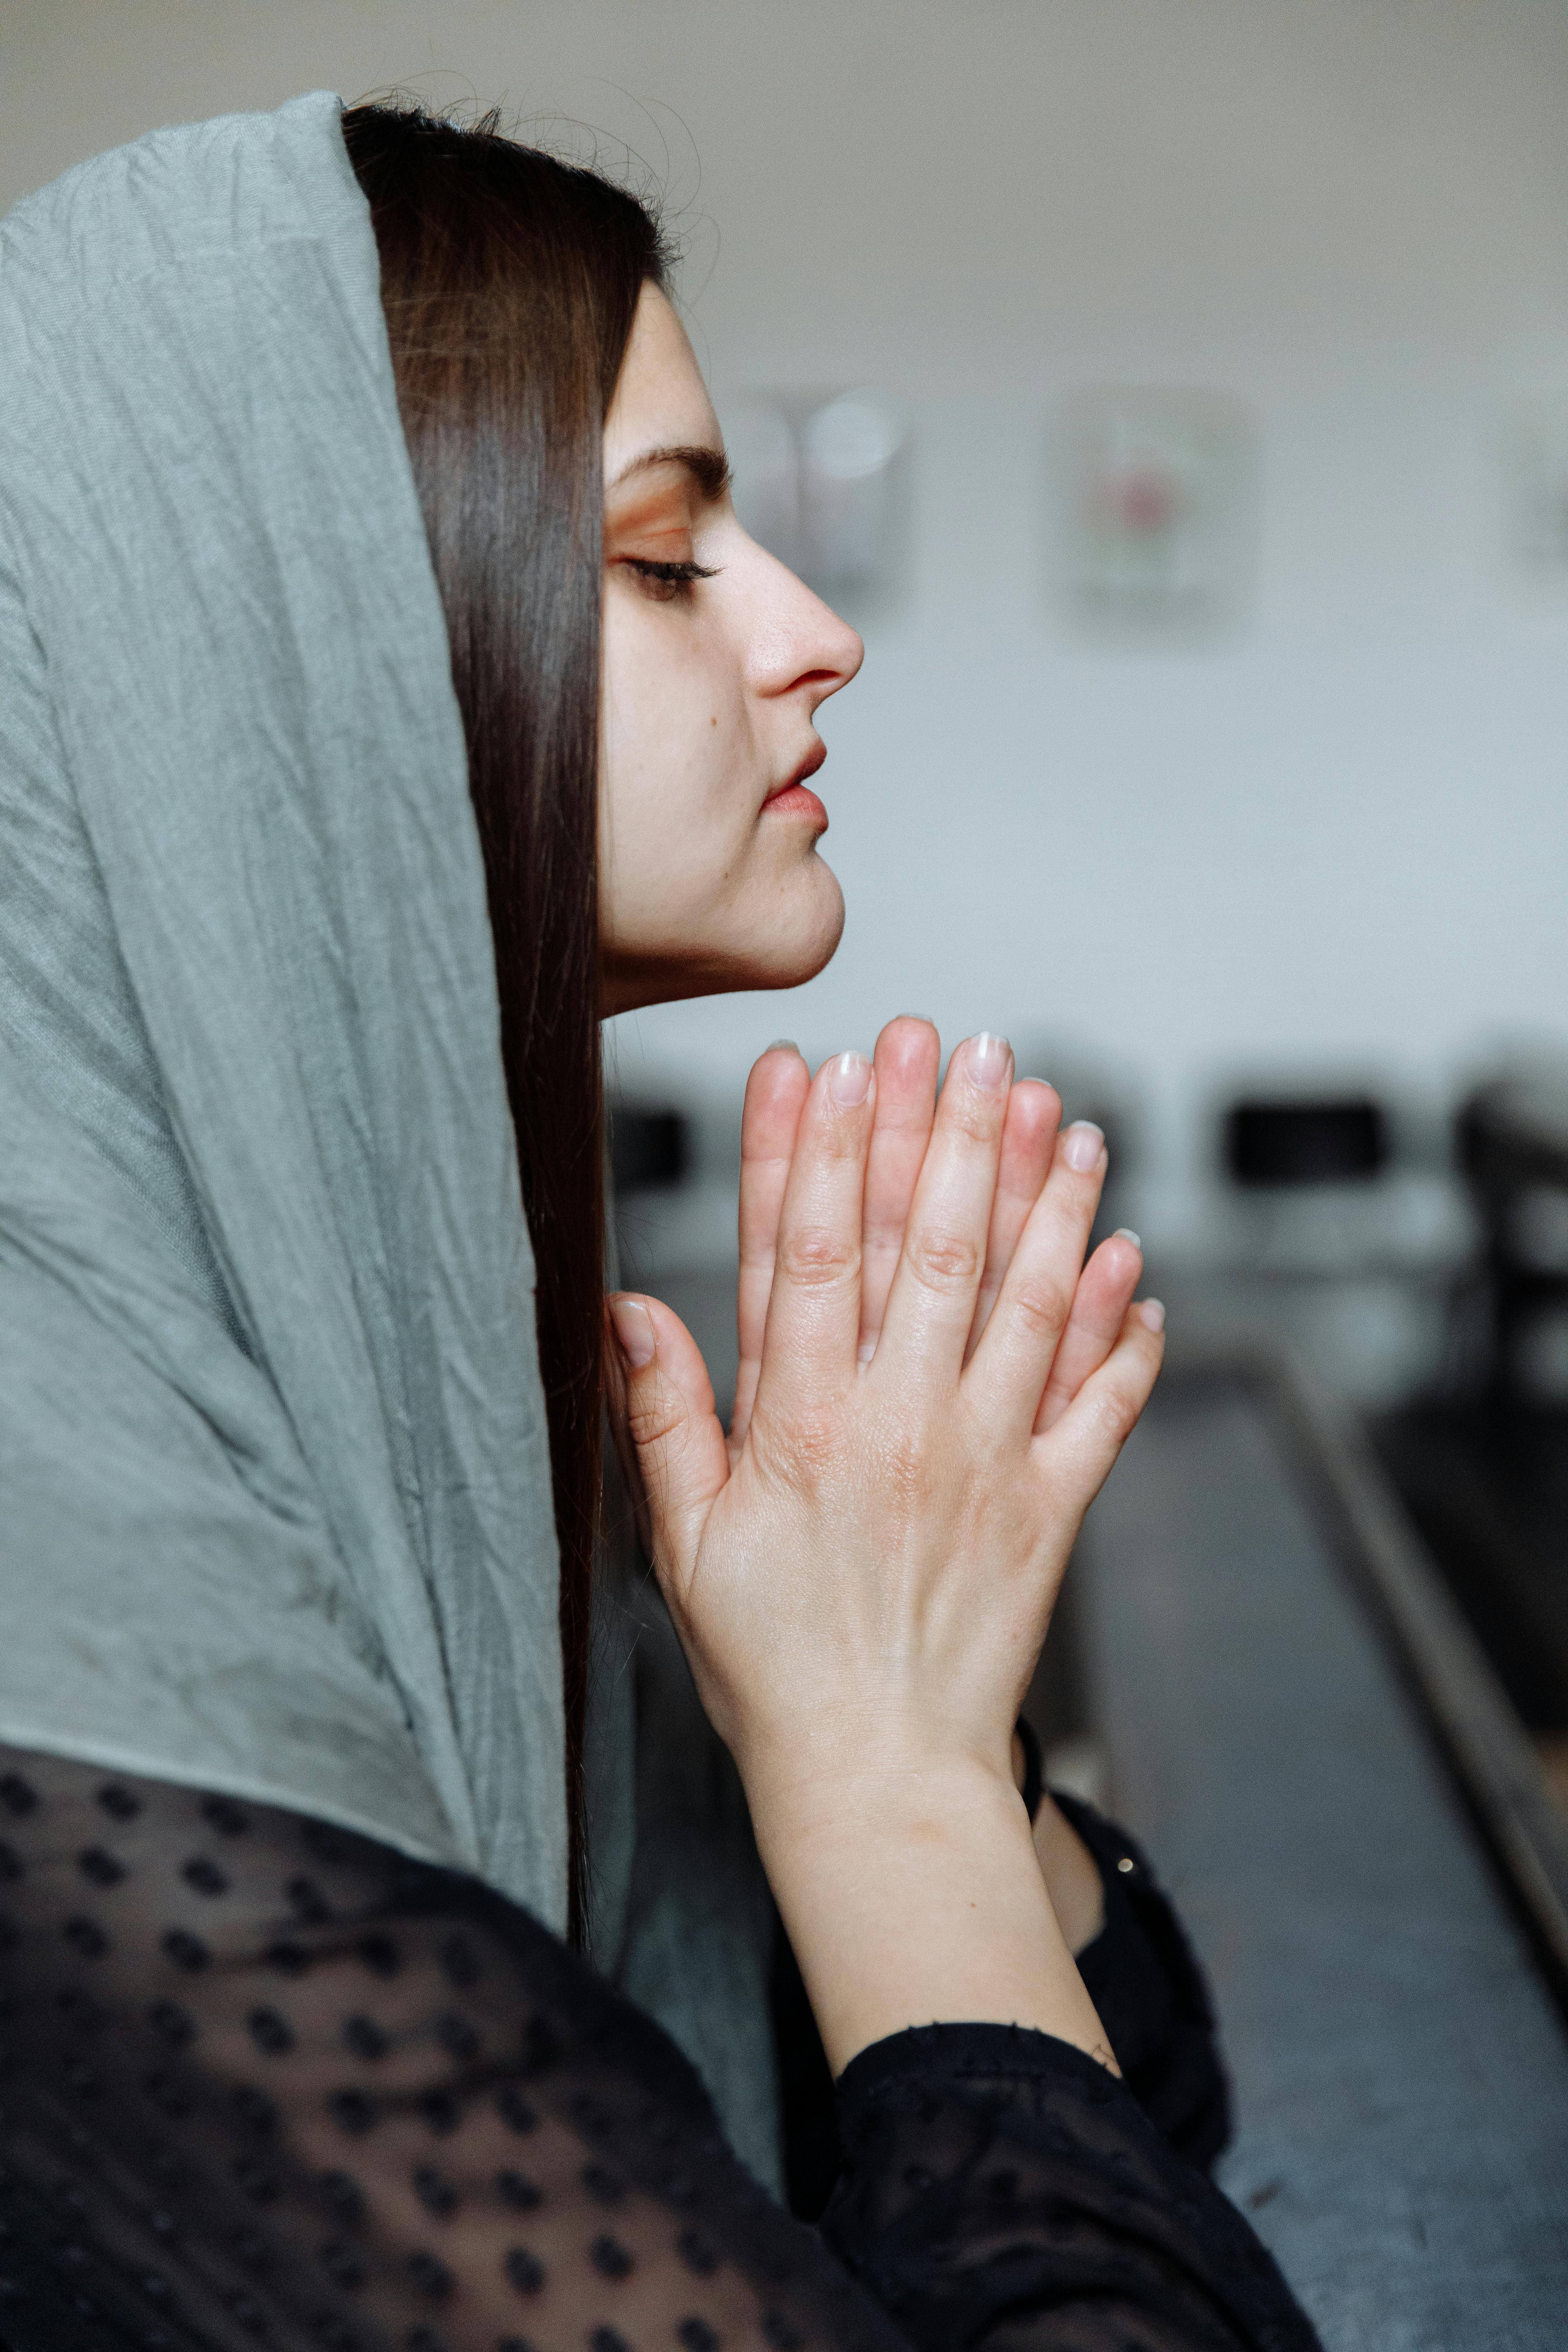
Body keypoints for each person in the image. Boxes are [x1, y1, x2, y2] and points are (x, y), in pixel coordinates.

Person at [0, 90, 1321, 2352]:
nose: (819, 634)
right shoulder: (77, 1660)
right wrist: (888, 1781)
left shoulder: (373, 1396)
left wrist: (896, 1707)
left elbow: (1122, 2103)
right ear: (301, 678)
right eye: (661, 552)